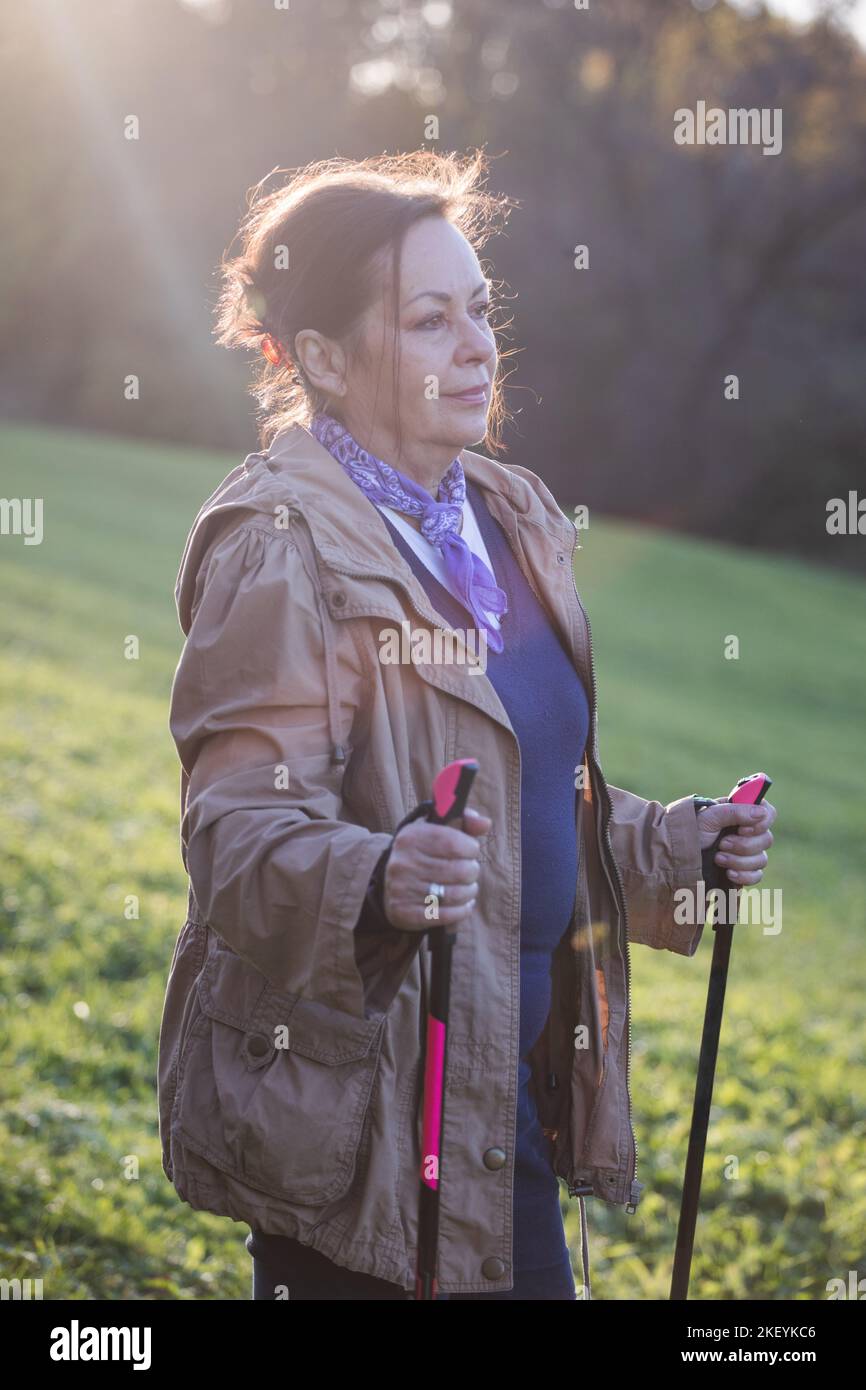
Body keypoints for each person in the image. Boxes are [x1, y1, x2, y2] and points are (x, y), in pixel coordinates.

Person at [157, 149, 776, 1301]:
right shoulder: (279, 549)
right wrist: (376, 877)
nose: (478, 345)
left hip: (509, 1110)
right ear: (325, 360)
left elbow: (532, 794)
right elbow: (236, 839)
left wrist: (676, 848)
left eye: (480, 309)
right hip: (362, 1137)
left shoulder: (507, 515)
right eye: (430, 318)